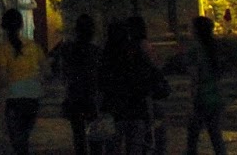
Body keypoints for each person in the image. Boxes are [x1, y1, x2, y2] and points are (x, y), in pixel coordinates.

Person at [100, 17, 167, 155]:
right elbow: (150, 75)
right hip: (136, 109)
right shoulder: (135, 53)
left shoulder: (105, 57)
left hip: (114, 110)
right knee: (134, 147)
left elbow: (101, 84)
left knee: (113, 147)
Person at [0, 7, 47, 155]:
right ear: (21, 25)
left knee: (17, 139)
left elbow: (2, 77)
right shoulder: (33, 46)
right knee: (24, 136)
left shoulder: (3, 49)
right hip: (32, 96)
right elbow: (46, 70)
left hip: (14, 97)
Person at [59, 13, 102, 155]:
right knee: (94, 133)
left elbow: (64, 72)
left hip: (75, 95)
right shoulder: (95, 52)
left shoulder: (69, 50)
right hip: (91, 96)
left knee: (78, 135)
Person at [185, 16, 227, 155]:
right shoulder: (214, 48)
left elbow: (194, 78)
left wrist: (191, 101)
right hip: (215, 95)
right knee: (216, 136)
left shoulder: (195, 51)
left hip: (202, 97)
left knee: (193, 137)